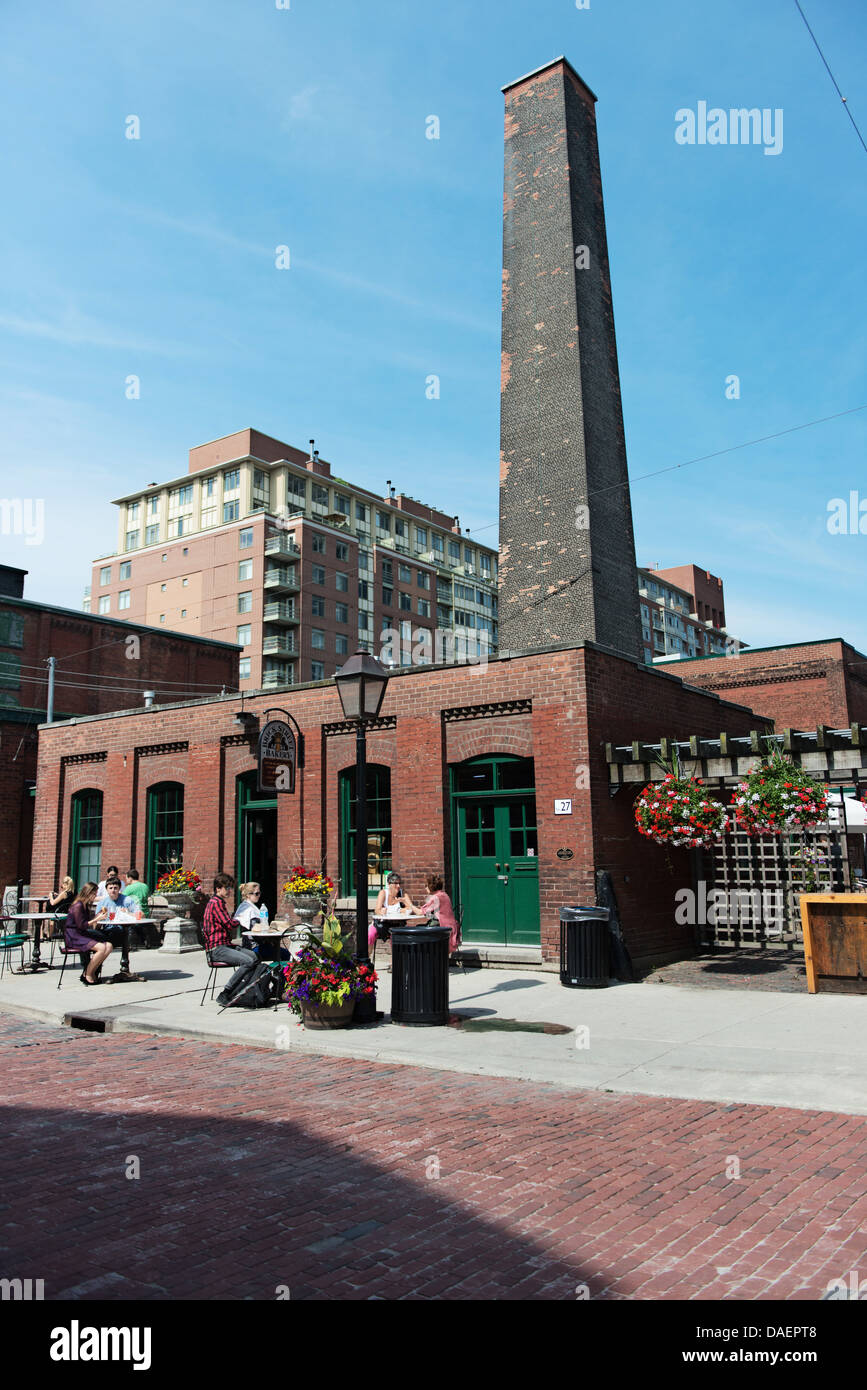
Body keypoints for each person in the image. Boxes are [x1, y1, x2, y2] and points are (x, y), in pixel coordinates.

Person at [202, 872, 257, 1006]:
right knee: (249, 961)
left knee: (254, 957)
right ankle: (226, 993)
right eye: (226, 888)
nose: (229, 891)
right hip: (217, 948)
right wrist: (242, 918)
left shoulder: (219, 902)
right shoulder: (216, 903)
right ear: (218, 889)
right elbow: (229, 924)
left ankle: (242, 990)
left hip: (225, 945)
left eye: (230, 888)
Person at [63, 883, 114, 985]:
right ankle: (88, 974)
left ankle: (91, 971)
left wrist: (98, 916)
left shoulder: (85, 905)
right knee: (101, 948)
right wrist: (97, 919)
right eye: (94, 894)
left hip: (81, 934)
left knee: (109, 946)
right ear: (88, 893)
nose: (95, 896)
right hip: (74, 936)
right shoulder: (78, 905)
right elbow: (82, 925)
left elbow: (85, 923)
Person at [369, 872, 418, 953]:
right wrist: (381, 912)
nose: (398, 886)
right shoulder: (383, 893)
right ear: (389, 884)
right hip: (382, 924)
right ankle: (367, 959)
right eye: (395, 883)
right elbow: (377, 910)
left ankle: (396, 963)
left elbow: (410, 909)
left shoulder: (403, 894)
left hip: (397, 924)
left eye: (399, 883)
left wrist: (404, 902)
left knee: (396, 937)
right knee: (370, 934)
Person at [420, 874, 461, 957]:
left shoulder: (436, 897)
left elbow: (421, 912)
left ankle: (428, 958)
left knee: (419, 932)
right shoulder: (444, 894)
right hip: (451, 927)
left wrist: (408, 902)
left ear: (430, 886)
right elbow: (431, 914)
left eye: (426, 885)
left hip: (444, 929)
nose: (425, 888)